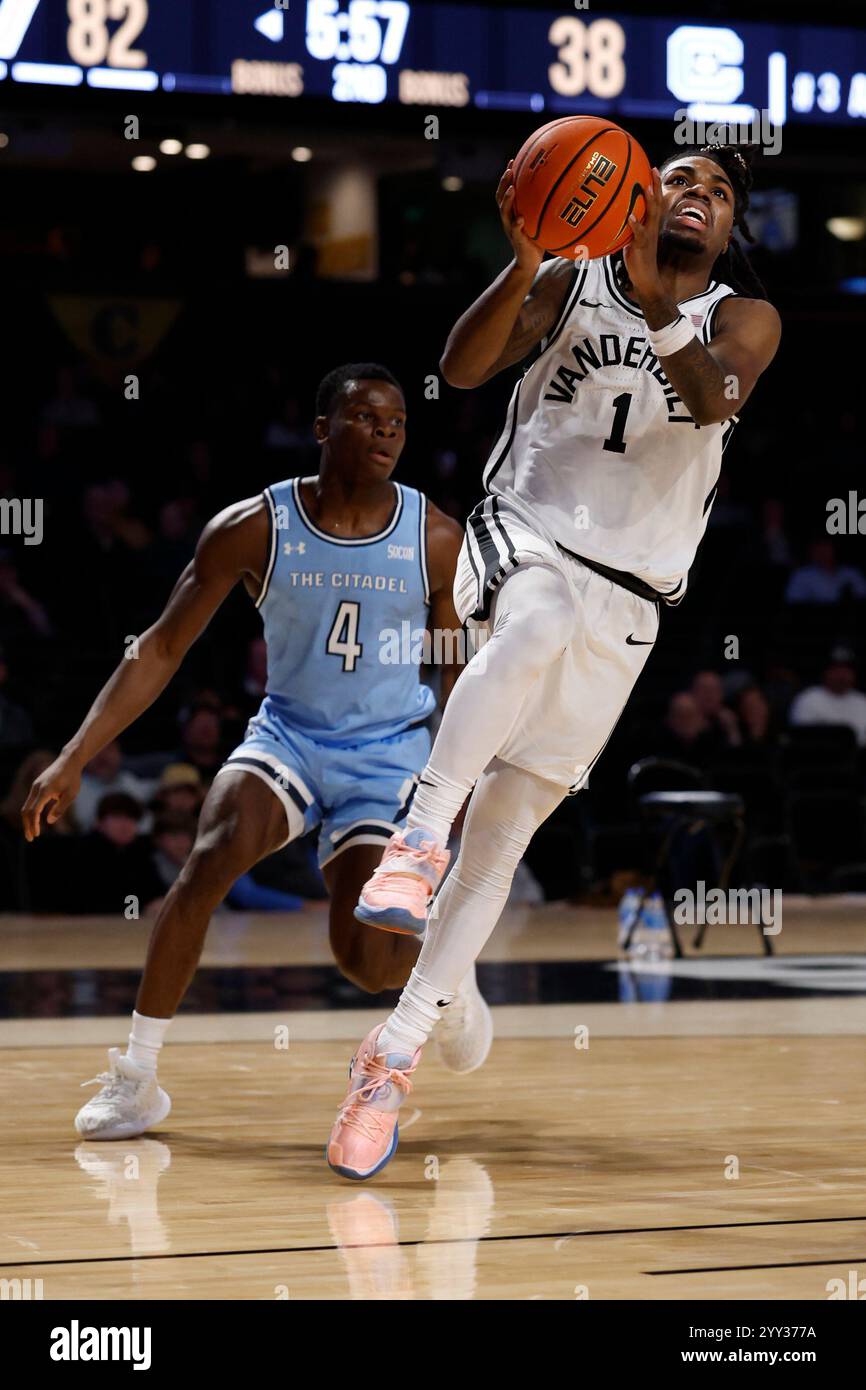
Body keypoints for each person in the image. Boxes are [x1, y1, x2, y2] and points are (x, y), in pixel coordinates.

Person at [326, 144, 781, 1180]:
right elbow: (460, 368)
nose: (694, 196)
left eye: (714, 192)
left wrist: (663, 307)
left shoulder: (737, 319)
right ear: (636, 193)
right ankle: (414, 837)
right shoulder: (570, 280)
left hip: (627, 598)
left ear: (725, 230)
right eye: (677, 179)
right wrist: (528, 252)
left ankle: (391, 1053)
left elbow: (712, 399)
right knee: (525, 630)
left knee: (507, 832)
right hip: (524, 533)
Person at [22, 363, 481, 1141]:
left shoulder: (436, 536)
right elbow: (161, 649)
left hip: (389, 752)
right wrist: (73, 755)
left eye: (397, 422)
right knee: (214, 850)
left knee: (365, 962)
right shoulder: (254, 527)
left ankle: (448, 974)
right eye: (366, 418)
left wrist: (452, 785)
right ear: (321, 429)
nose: (385, 434)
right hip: (290, 737)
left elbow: (458, 669)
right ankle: (136, 1079)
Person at [788, 648, 866, 746]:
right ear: (826, 672)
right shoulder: (808, 699)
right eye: (836, 669)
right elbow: (802, 741)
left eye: (847, 669)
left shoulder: (862, 701)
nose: (842, 675)